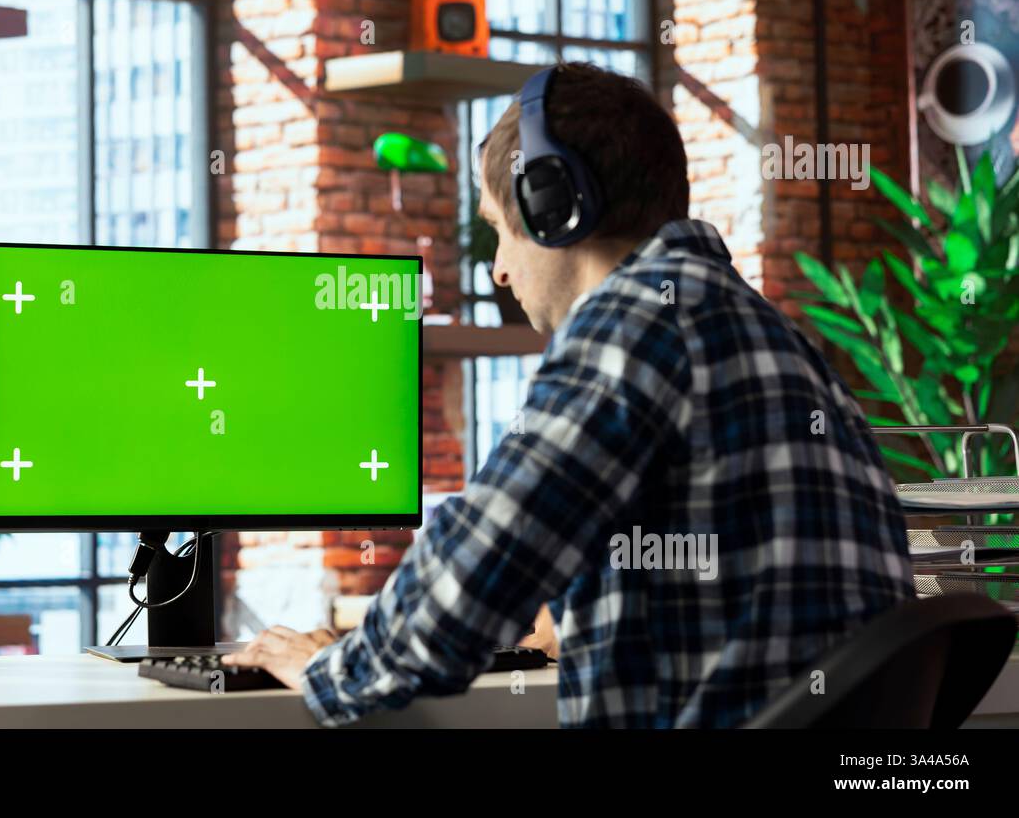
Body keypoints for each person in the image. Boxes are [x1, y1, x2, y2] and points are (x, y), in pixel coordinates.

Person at [224, 61, 914, 727]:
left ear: (553, 208)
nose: (496, 271)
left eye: (498, 229)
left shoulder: (634, 323)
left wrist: (332, 668)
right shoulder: (779, 338)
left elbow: (466, 584)